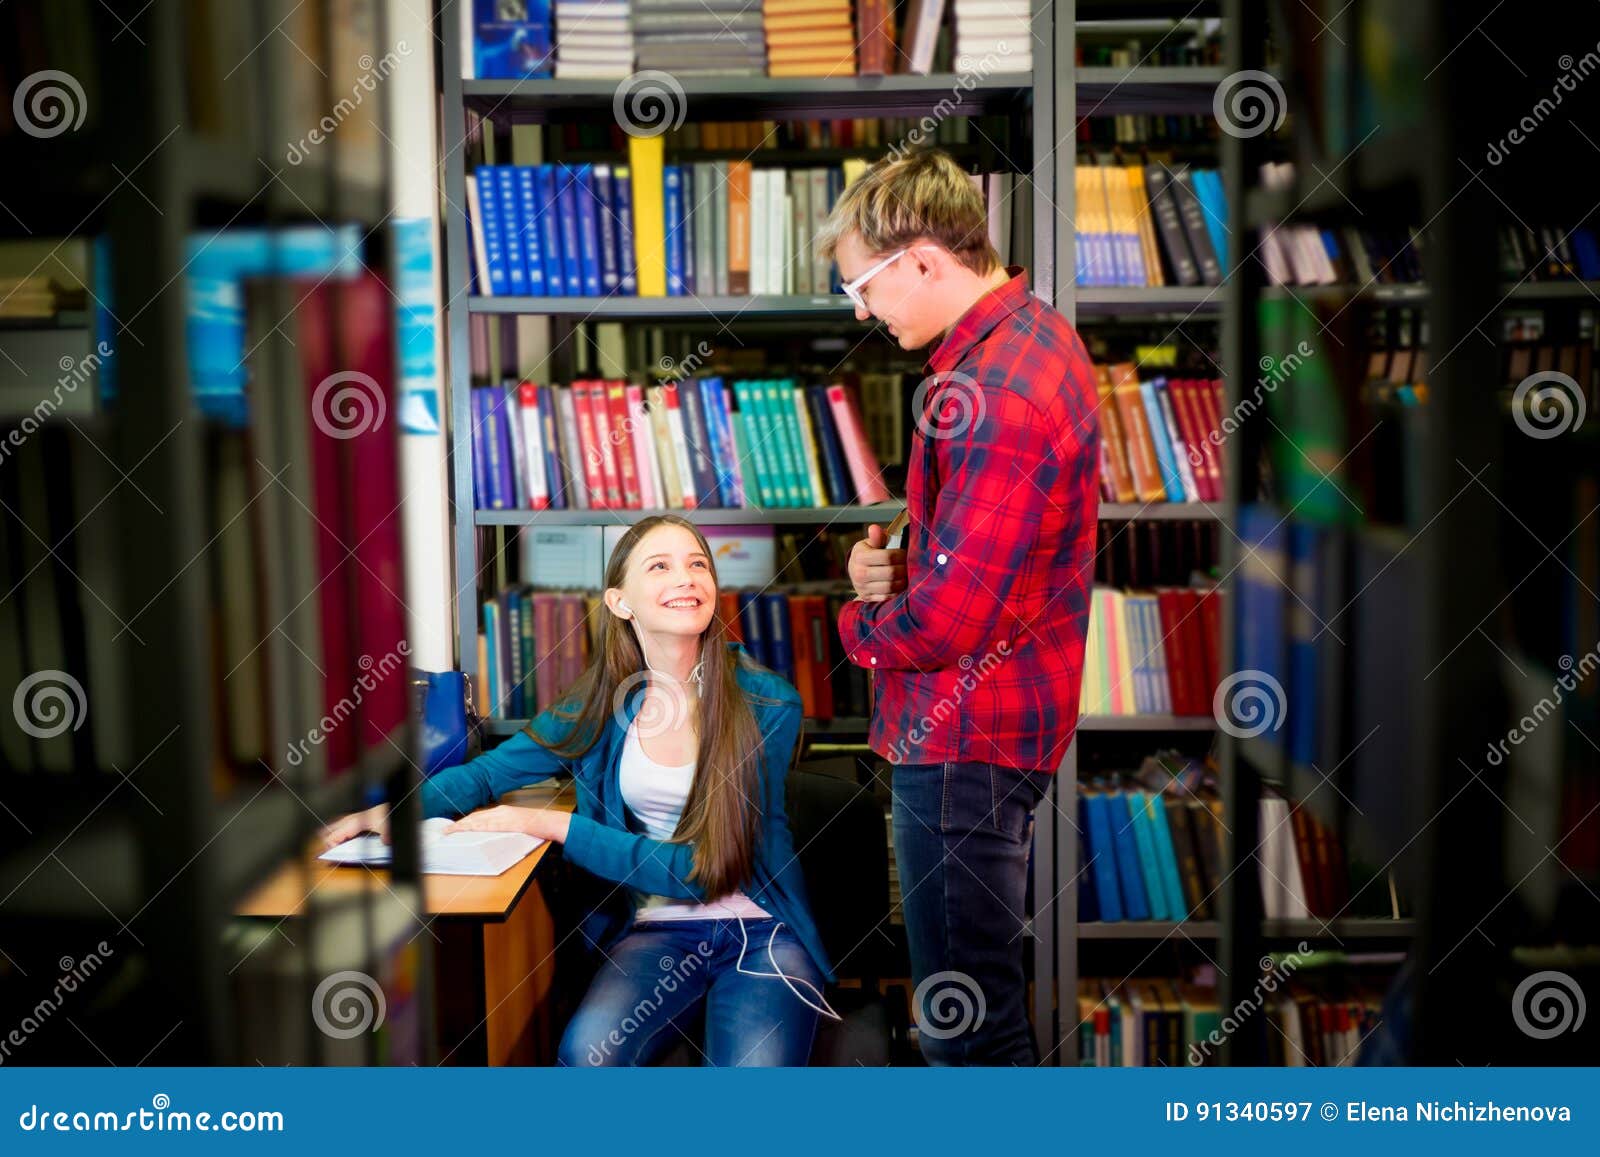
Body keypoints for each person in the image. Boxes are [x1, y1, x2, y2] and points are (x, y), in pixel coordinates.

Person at [323, 515, 837, 1066]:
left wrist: (549, 823)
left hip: (761, 930)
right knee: (588, 1054)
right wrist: (388, 814)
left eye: (697, 565)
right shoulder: (599, 704)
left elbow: (702, 871)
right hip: (657, 930)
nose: (686, 578)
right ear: (620, 602)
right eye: (660, 566)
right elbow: (489, 774)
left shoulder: (767, 703)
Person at [814, 148, 1100, 1065]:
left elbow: (948, 625)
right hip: (994, 721)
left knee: (967, 1032)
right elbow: (974, 568)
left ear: (926, 261)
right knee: (976, 1012)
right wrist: (900, 574)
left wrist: (857, 627)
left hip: (964, 737)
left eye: (863, 284)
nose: (860, 309)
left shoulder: (993, 389)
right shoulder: (1031, 337)